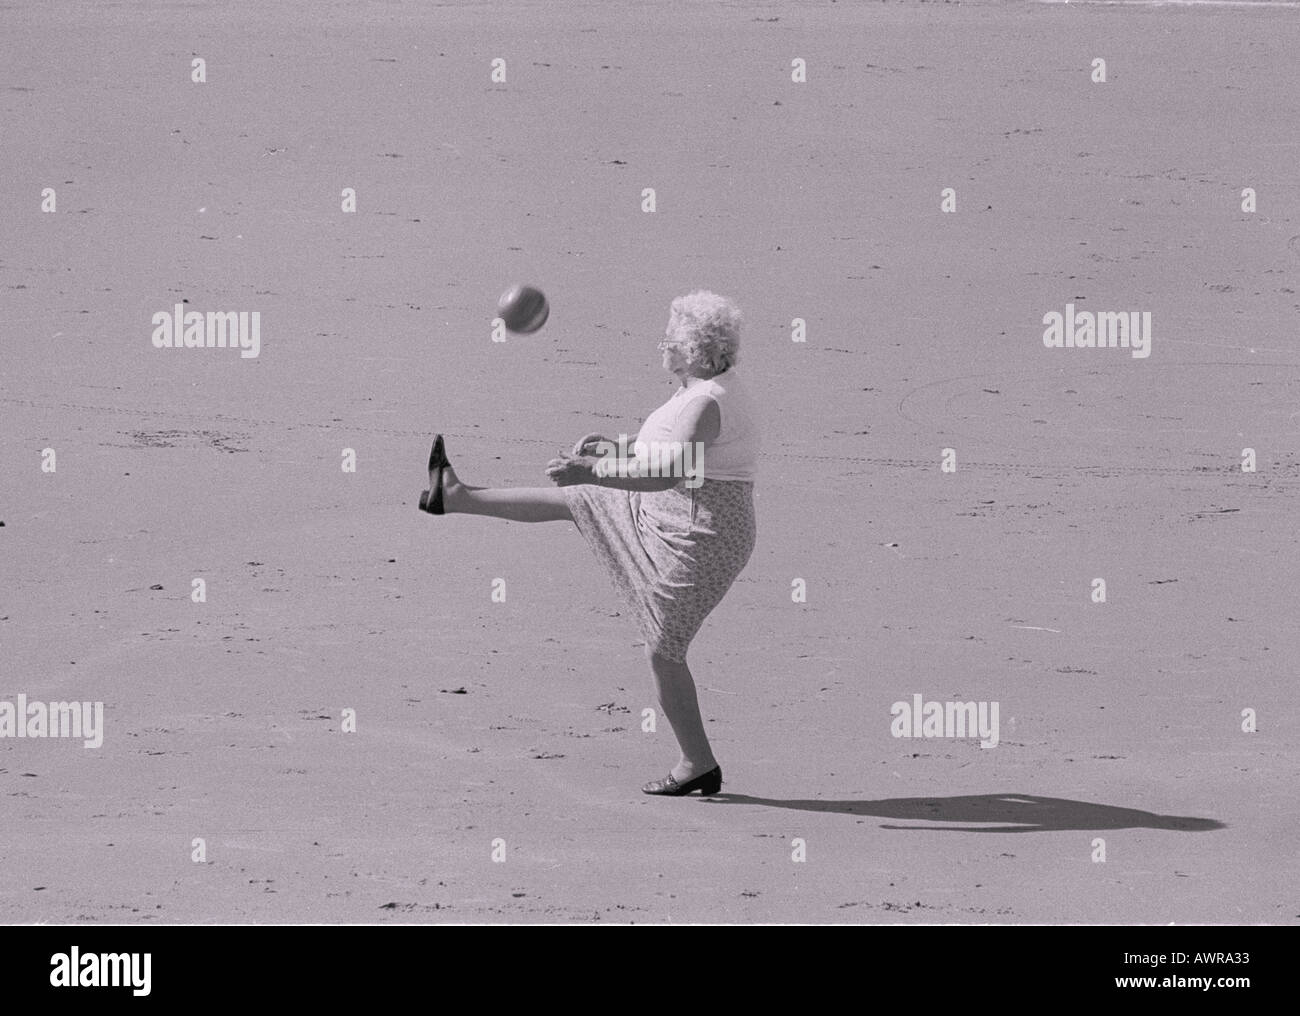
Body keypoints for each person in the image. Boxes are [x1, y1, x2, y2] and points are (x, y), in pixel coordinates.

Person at [419, 290, 759, 796]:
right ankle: (455, 495)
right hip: (673, 516)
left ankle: (697, 763)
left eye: (670, 337)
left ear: (693, 349)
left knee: (664, 652)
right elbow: (668, 452)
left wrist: (595, 469)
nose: (661, 344)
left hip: (696, 537)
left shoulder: (706, 402)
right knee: (577, 501)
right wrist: (617, 448)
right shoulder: (700, 389)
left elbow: (666, 473)